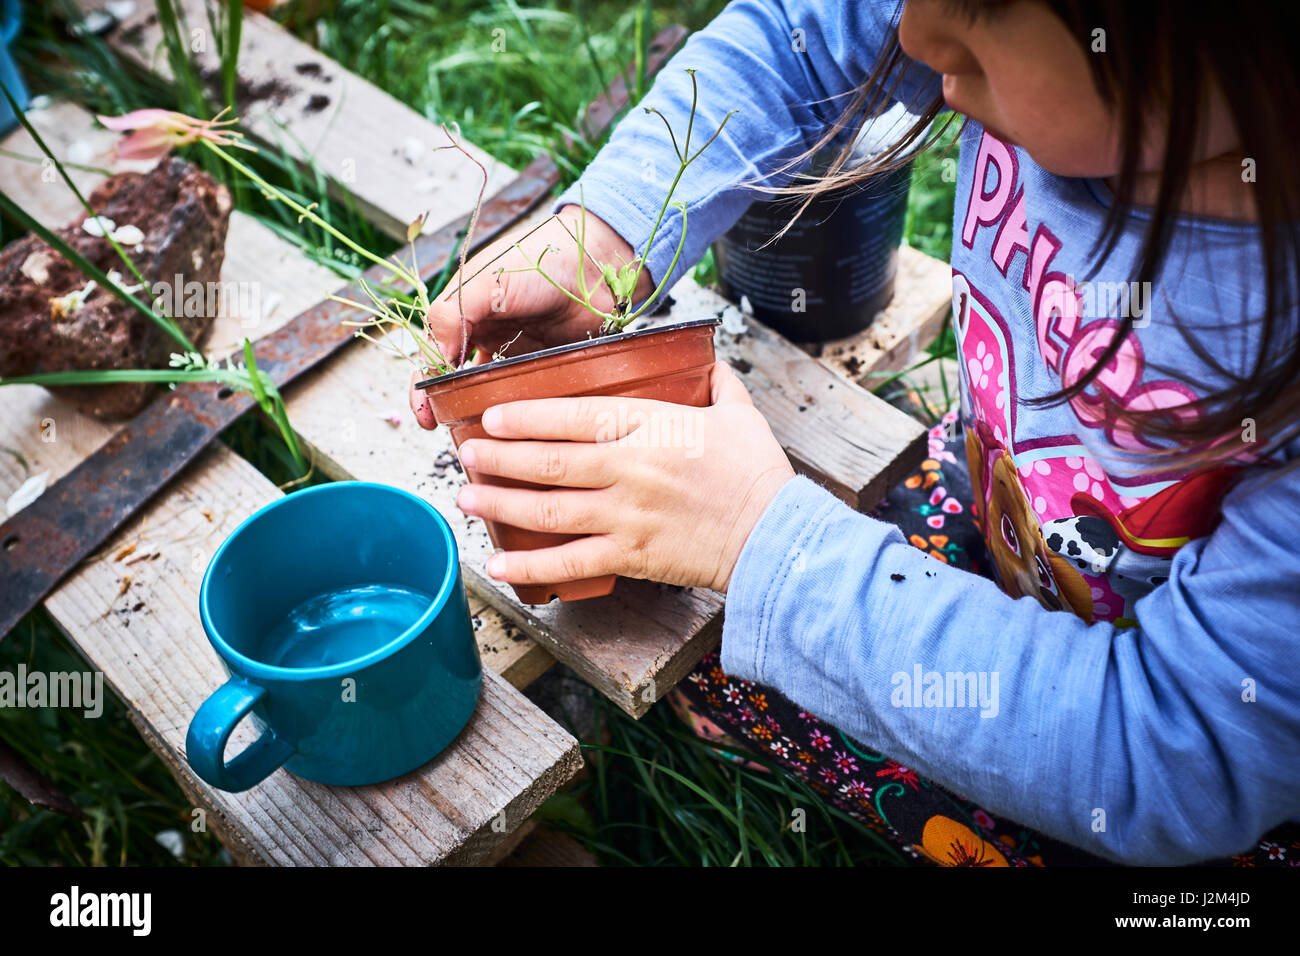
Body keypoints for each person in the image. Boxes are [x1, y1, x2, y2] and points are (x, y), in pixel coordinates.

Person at [408, 0, 1300, 865]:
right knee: (722, 650)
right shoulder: (1024, 49)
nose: (912, 31)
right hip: (1004, 515)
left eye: (985, 11)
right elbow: (804, 38)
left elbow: (1178, 753)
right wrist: (607, 233)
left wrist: (757, 543)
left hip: (1164, 760)